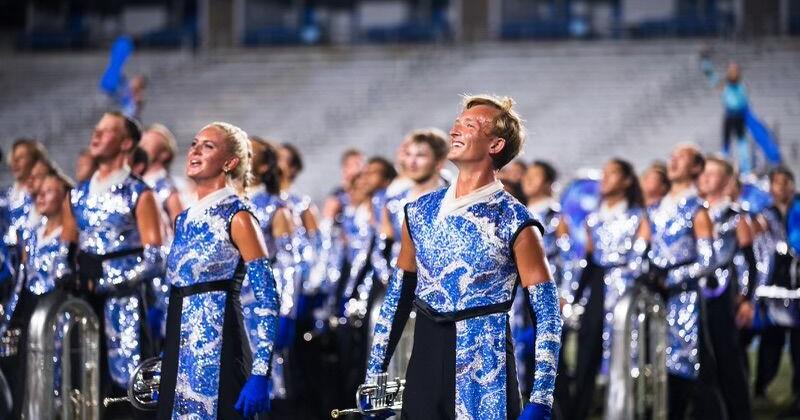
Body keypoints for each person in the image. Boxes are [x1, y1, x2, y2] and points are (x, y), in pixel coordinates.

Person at [366, 94, 561, 419]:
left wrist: (541, 396)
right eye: (457, 123)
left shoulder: (515, 220)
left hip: (486, 365)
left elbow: (548, 312)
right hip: (425, 356)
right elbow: (398, 295)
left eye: (469, 125)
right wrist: (375, 375)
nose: (455, 131)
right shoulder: (418, 211)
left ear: (495, 145)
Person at [156, 122, 278, 419]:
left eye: (208, 146)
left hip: (221, 350)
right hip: (179, 354)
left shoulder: (238, 215)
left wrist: (261, 372)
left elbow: (267, 298)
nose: (195, 150)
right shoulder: (183, 219)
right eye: (194, 144)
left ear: (229, 162)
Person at [61, 111, 164, 418]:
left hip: (126, 303)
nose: (96, 135)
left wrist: (111, 284)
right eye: (96, 129)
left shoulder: (139, 192)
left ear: (126, 143)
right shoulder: (77, 194)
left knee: (129, 389)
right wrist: (68, 277)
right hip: (84, 300)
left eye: (106, 131)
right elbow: (66, 248)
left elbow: (156, 258)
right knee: (84, 379)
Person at [569, 158, 649, 420]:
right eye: (604, 173)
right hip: (598, 289)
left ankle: (622, 411)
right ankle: (579, 409)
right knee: (586, 352)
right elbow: (589, 262)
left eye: (612, 174)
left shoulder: (638, 216)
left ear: (626, 181)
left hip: (627, 289)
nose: (605, 178)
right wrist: (575, 297)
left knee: (624, 351)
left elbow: (642, 257)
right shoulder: (593, 219)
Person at [647, 144, 722, 419]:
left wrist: (672, 277)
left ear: (695, 168)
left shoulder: (696, 209)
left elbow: (708, 260)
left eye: (682, 157)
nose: (673, 159)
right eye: (672, 155)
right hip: (654, 296)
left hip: (684, 298)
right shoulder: (655, 208)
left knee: (685, 369)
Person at [0, 171, 73, 419]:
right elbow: (22, 278)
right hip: (30, 310)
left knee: (52, 376)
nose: (40, 197)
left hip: (54, 311)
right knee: (25, 377)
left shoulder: (69, 233)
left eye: (48, 192)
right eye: (39, 193)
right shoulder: (32, 234)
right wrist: (10, 316)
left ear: (64, 196)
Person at [697, 156, 756, 420]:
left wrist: (746, 298)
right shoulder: (694, 211)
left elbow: (748, 261)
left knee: (728, 358)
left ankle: (739, 412)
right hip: (694, 294)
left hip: (723, 293)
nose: (706, 177)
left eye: (713, 173)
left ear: (727, 179)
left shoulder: (735, 216)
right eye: (704, 172)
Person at [246, 136, 297, 410]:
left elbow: (289, 264)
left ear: (264, 167)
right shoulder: (226, 203)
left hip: (259, 303)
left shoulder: (275, 207)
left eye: (249, 153)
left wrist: (287, 311)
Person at [751, 166, 800, 415]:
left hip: (797, 283)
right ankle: (761, 386)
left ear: (792, 184)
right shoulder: (764, 213)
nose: (780, 188)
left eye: (784, 183)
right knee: (771, 338)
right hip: (774, 285)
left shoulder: (799, 209)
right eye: (775, 183)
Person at [140, 124, 185, 223]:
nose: (141, 147)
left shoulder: (168, 188)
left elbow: (180, 228)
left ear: (164, 154)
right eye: (141, 143)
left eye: (147, 144)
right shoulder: (136, 182)